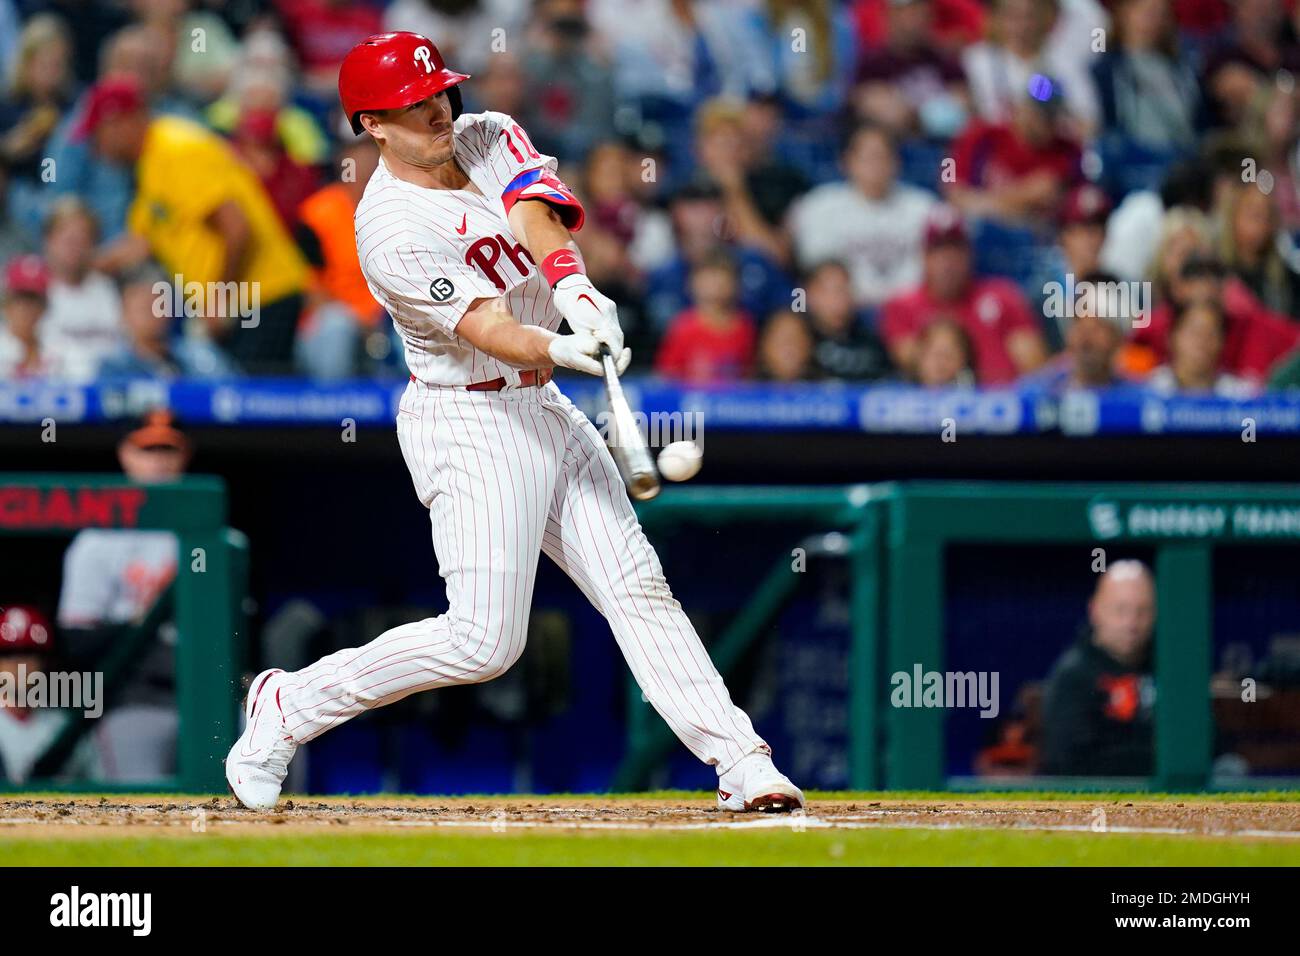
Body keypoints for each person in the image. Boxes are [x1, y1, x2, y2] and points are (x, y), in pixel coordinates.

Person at [225, 33, 803, 815]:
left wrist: (575, 292)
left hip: (542, 405)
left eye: (438, 92)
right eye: (411, 106)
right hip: (468, 418)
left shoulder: (486, 131)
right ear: (370, 125)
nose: (435, 111)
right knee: (483, 643)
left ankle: (741, 761)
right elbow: (487, 326)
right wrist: (563, 343)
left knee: (638, 587)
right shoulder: (388, 228)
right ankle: (289, 703)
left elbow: (533, 212)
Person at [78, 77, 309, 374]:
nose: (97, 149)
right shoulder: (152, 163)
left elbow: (237, 228)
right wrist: (79, 266)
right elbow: (142, 242)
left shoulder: (176, 149)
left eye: (98, 135)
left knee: (256, 408)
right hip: (245, 305)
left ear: (120, 122)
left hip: (264, 299)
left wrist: (218, 298)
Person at [57, 410, 191, 782]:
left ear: (184, 456)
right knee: (141, 804)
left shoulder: (208, 534)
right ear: (126, 455)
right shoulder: (98, 539)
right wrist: (139, 626)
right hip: (134, 699)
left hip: (205, 695)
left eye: (168, 449)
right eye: (148, 450)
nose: (159, 461)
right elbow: (77, 641)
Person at [880, 204, 1048, 384]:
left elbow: (1035, 370)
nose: (947, 261)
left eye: (955, 250)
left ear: (969, 254)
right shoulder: (903, 306)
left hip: (1004, 400)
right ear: (924, 256)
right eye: (939, 251)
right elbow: (921, 372)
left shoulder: (1004, 297)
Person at [789, 123, 935, 308]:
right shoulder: (819, 206)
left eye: (882, 156)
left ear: (896, 162)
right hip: (844, 309)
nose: (875, 165)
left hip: (910, 309)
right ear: (847, 162)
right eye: (867, 157)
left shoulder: (925, 208)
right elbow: (818, 272)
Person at [1039, 560, 1156, 776]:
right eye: (1120, 610)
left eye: (1142, 611)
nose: (1131, 623)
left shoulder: (1172, 670)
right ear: (1094, 610)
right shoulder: (1073, 674)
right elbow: (1068, 763)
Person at [98, 264, 239, 380]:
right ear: (124, 315)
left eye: (160, 306)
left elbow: (236, 394)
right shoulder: (115, 369)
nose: (153, 315)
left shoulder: (201, 357)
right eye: (144, 308)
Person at [40, 197, 123, 383]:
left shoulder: (109, 290)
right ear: (48, 240)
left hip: (104, 389)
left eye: (83, 240)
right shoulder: (29, 290)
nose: (75, 248)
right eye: (68, 240)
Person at [655, 252, 757, 383]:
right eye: (710, 277)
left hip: (732, 401)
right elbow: (667, 375)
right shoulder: (683, 327)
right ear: (693, 282)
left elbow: (750, 376)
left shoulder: (745, 327)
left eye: (723, 276)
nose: (716, 284)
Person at [1145, 300, 1258, 397]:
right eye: (1194, 332)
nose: (1201, 342)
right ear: (1171, 337)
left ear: (1222, 341)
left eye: (1210, 334)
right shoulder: (1149, 390)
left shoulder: (1239, 395)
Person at [0, 253, 60, 379]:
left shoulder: (58, 348)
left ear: (43, 307)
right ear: (6, 304)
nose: (26, 308)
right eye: (19, 299)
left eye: (33, 300)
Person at [757, 309, 817, 382]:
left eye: (796, 338)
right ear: (764, 345)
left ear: (809, 345)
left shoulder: (827, 387)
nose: (789, 347)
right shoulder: (747, 387)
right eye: (781, 339)